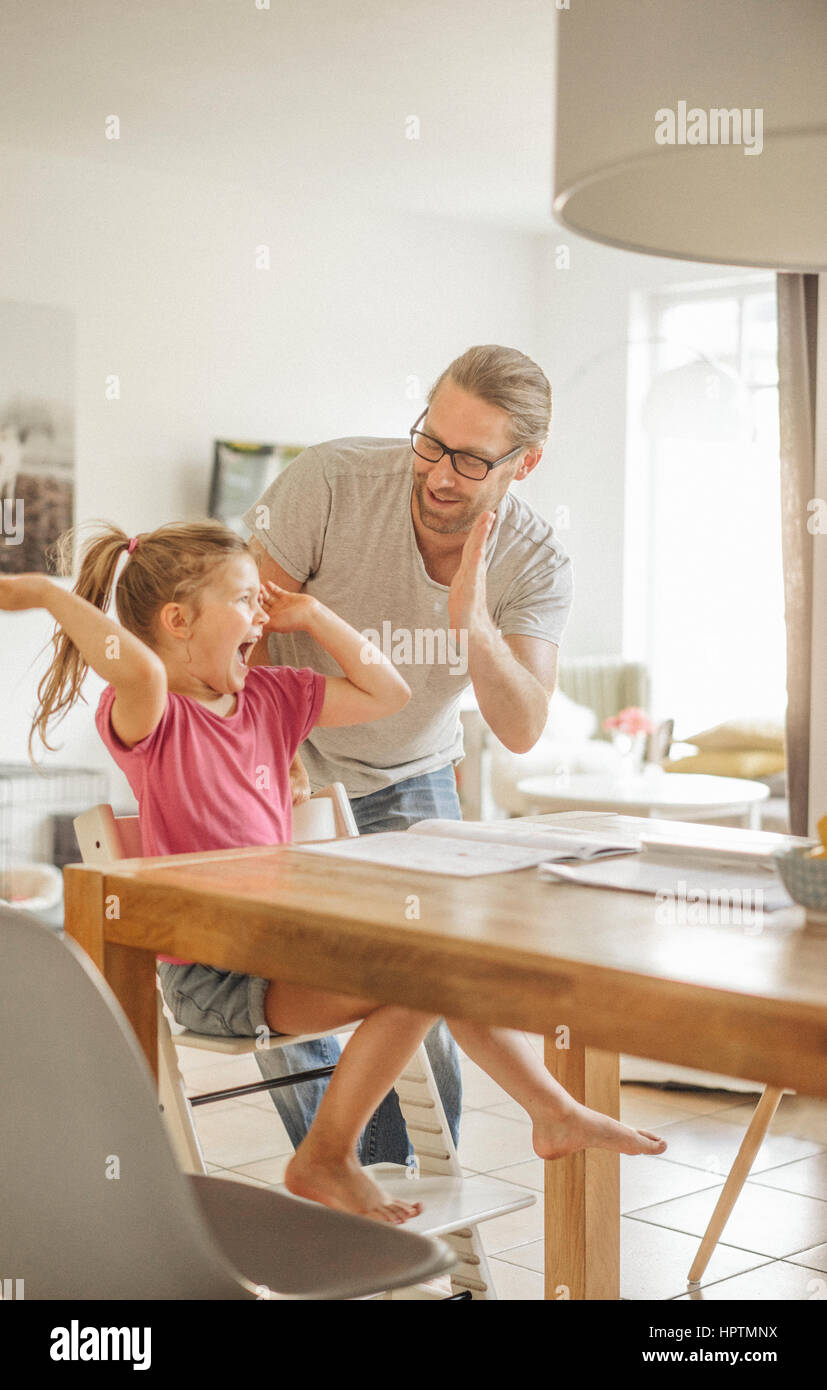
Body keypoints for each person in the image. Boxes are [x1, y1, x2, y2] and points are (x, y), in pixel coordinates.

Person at [8, 520, 666, 1227]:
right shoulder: (150, 712)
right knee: (418, 975)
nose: (260, 614)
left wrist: (313, 613)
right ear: (176, 622)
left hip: (281, 948)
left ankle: (551, 1109)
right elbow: (136, 665)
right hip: (216, 974)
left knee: (442, 961)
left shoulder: (269, 697)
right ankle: (326, 1156)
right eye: (243, 600)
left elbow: (388, 692)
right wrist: (47, 593)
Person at [244, 344, 574, 1166]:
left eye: (471, 459)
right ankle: (350, 1200)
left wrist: (473, 617)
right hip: (293, 766)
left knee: (430, 993)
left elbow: (522, 725)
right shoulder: (330, 483)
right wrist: (259, 756)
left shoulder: (534, 559)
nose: (437, 474)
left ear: (524, 463)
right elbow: (242, 628)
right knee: (298, 1008)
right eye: (430, 441)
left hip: (415, 778)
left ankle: (416, 1226)